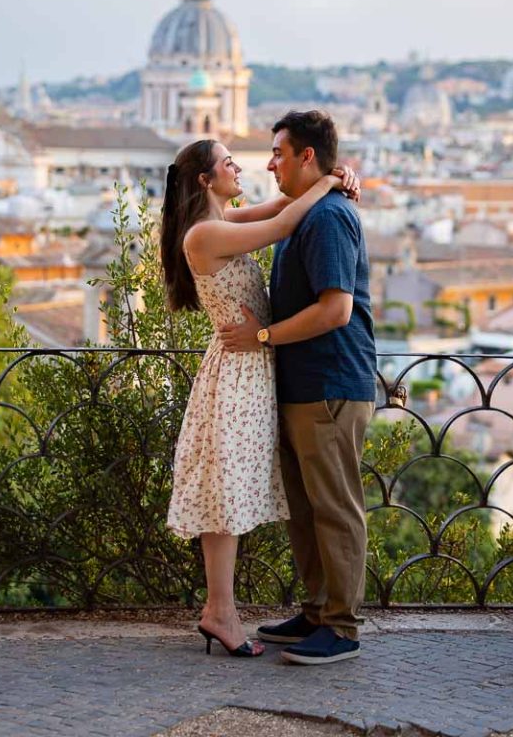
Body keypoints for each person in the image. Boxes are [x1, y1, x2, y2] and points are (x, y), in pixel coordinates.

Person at [160, 138, 358, 659]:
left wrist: (335, 178)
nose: (239, 167)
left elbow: (280, 207)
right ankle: (219, 611)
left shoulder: (224, 218)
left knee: (234, 489)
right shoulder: (205, 234)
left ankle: (222, 609)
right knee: (225, 493)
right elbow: (284, 225)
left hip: (252, 368)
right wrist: (332, 182)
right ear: (206, 180)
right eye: (229, 163)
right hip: (238, 370)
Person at [219, 110, 377, 666]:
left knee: (334, 507)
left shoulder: (329, 218)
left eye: (279, 153)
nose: (269, 163)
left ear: (307, 156)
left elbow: (335, 310)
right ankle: (317, 611)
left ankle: (341, 626)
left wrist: (260, 336)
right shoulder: (305, 212)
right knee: (307, 508)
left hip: (330, 382)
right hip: (304, 383)